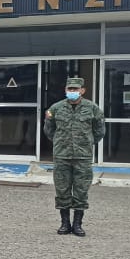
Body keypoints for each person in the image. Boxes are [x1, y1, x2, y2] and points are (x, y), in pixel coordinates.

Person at [43, 77, 105, 237]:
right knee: (62, 189)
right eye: (69, 89)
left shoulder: (92, 108)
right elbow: (49, 130)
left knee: (81, 190)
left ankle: (77, 224)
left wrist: (86, 143)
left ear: (82, 90)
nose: (72, 92)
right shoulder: (55, 108)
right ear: (65, 90)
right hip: (62, 156)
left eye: (75, 89)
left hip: (83, 157)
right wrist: (60, 142)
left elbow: (99, 131)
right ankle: (65, 223)